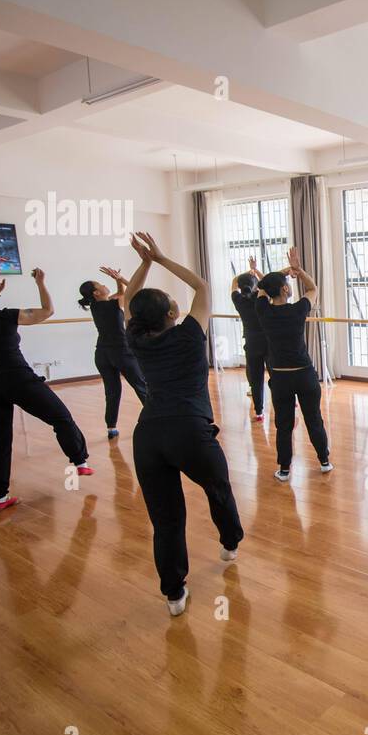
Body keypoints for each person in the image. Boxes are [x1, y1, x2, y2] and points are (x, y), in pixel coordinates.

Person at [123, 231, 243, 617]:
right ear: (173, 314)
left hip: (148, 435)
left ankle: (174, 594)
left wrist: (143, 264)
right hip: (190, 430)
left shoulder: (137, 338)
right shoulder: (191, 335)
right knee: (218, 488)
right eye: (175, 304)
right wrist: (158, 257)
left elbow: (128, 301)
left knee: (166, 519)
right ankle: (229, 542)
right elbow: (202, 285)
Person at [0, 258, 92, 512]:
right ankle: (79, 461)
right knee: (60, 417)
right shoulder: (6, 317)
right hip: (18, 378)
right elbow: (47, 311)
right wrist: (40, 283)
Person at [255, 248, 331, 481]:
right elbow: (312, 288)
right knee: (313, 419)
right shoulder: (298, 310)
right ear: (287, 289)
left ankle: (285, 469)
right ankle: (324, 461)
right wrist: (297, 270)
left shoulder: (263, 310)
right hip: (304, 374)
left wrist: (282, 273)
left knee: (284, 424)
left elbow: (261, 287)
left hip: (280, 378)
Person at [78, 266, 148, 438]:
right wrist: (119, 278)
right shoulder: (113, 303)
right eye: (100, 284)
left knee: (112, 391)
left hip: (102, 354)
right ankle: (160, 419)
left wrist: (117, 281)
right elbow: (133, 289)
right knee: (142, 386)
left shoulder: (96, 306)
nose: (103, 285)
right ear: (96, 293)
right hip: (121, 353)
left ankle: (111, 427)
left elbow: (121, 293)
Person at [230, 256, 268, 421]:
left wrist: (247, 273)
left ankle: (259, 412)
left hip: (251, 343)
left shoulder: (238, 300)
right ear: (255, 286)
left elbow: (233, 282)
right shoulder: (260, 299)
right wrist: (255, 269)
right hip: (267, 341)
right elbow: (267, 281)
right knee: (275, 373)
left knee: (256, 378)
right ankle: (290, 402)